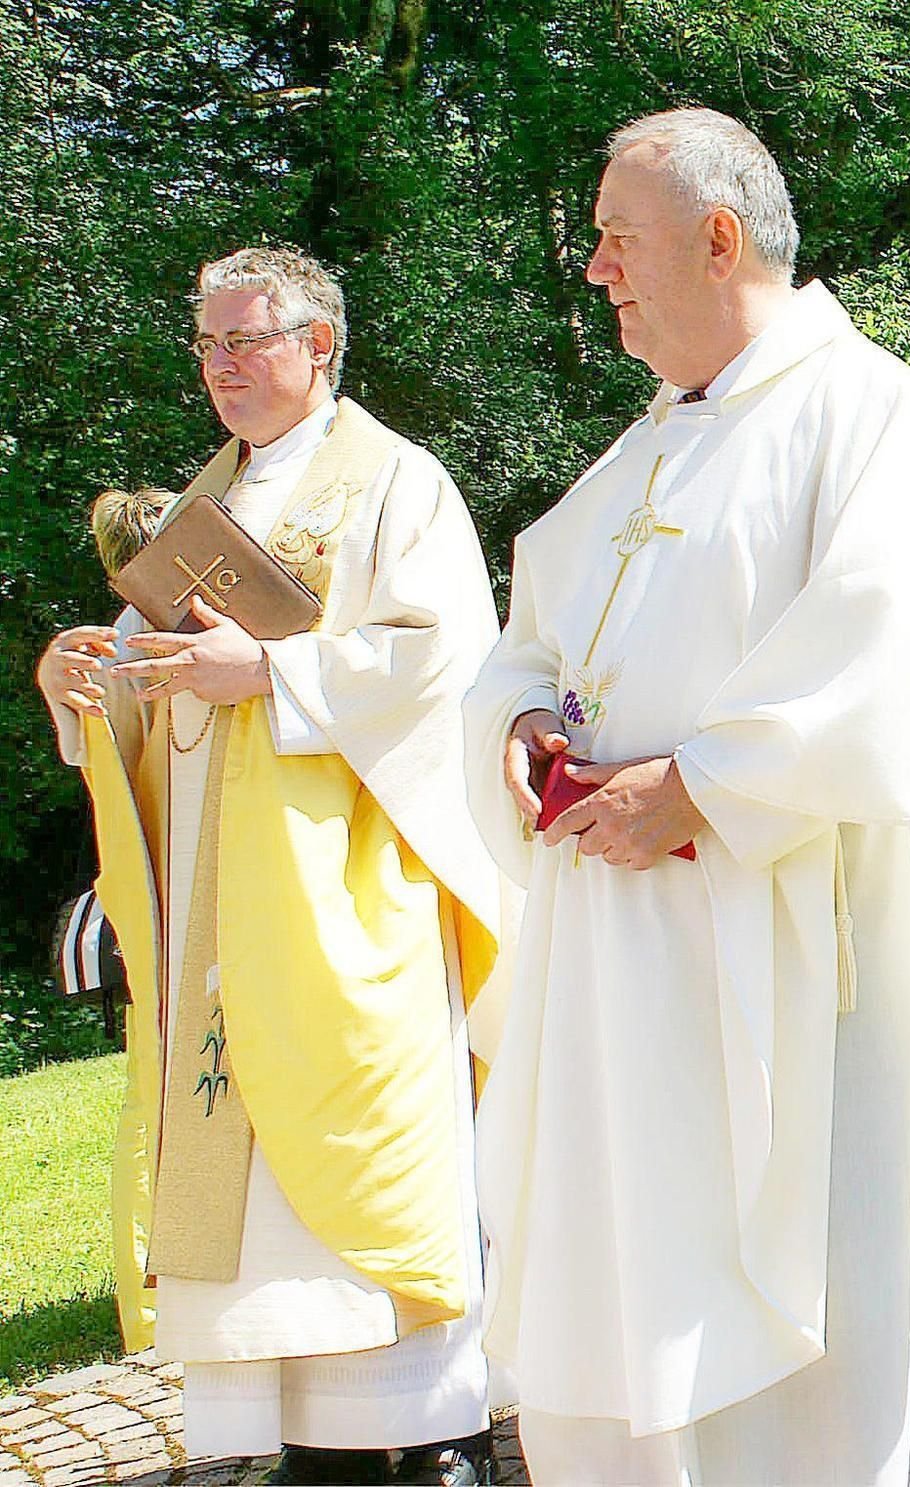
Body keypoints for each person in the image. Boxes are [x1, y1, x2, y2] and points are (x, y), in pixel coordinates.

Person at [463, 108, 910, 1485]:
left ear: (716, 238)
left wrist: (701, 786)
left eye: (615, 237)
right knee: (630, 1280)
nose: (596, 268)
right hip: (617, 974)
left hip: (802, 971)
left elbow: (903, 652)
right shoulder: (648, 448)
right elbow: (529, 630)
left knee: (815, 1331)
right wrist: (521, 722)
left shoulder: (871, 416)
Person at [35, 247, 505, 1486]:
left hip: (347, 884)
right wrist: (84, 680)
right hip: (218, 896)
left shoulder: (399, 484)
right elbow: (152, 687)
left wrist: (278, 672)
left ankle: (424, 1426)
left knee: (366, 1137)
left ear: (320, 344)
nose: (222, 366)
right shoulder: (207, 502)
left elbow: (446, 662)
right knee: (244, 1170)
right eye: (206, 345)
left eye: (246, 340)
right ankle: (305, 1437)